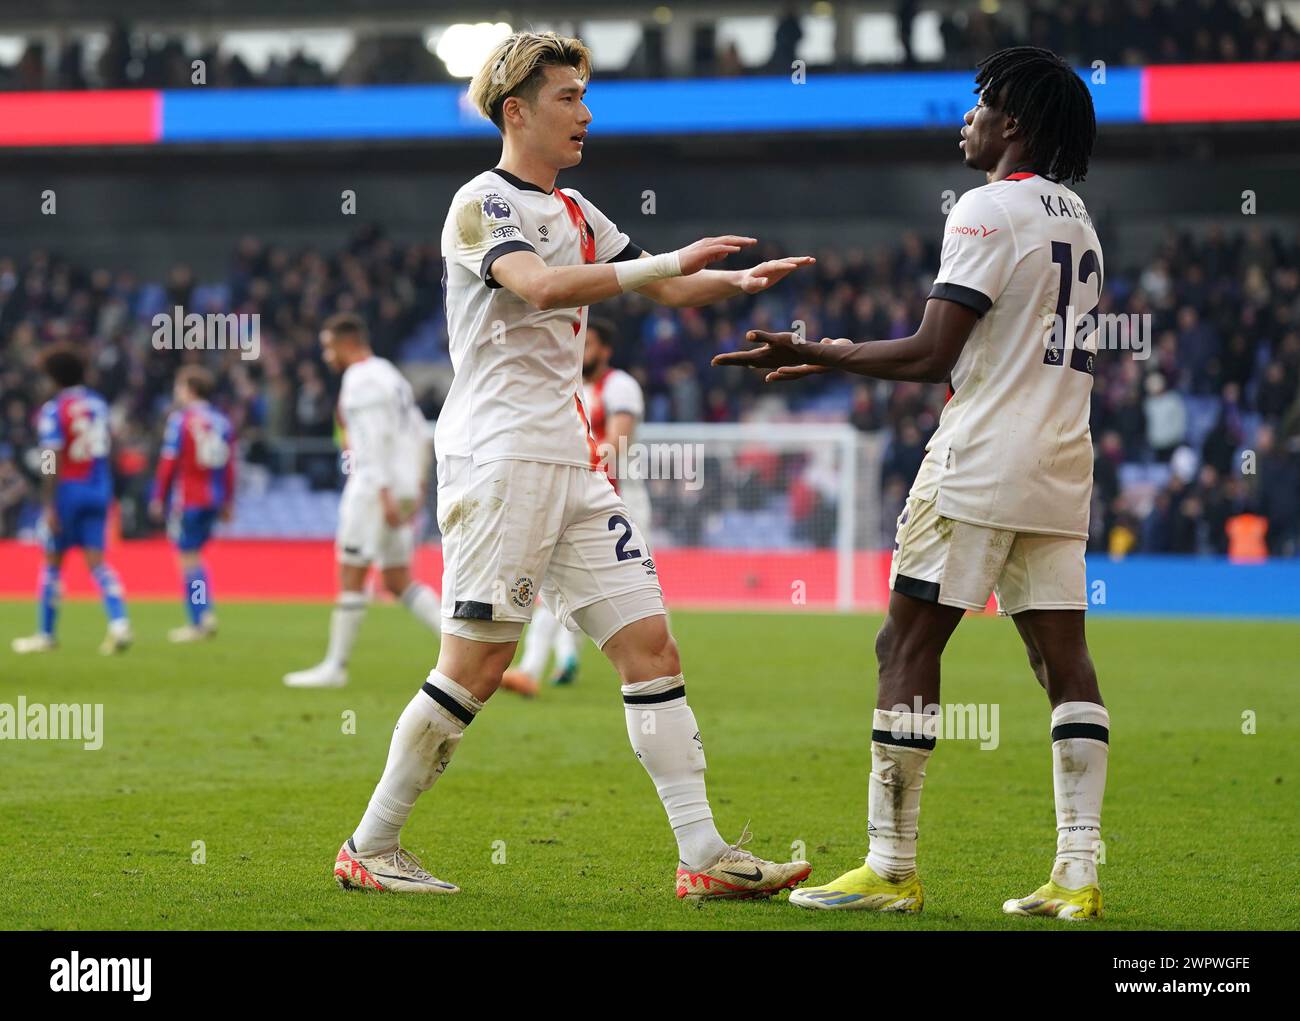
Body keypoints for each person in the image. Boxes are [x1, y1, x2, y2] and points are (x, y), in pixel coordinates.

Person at [332, 30, 815, 899]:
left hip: (569, 458)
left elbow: (663, 286)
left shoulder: (582, 212)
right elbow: (546, 288)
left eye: (585, 97)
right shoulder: (482, 204)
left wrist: (740, 288)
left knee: (650, 646)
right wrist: (669, 263)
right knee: (476, 664)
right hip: (499, 457)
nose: (586, 113)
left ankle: (701, 854)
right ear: (517, 112)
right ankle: (370, 843)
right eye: (569, 98)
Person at [716, 46, 1109, 920]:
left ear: (1015, 122)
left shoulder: (986, 206)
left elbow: (935, 353)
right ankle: (1077, 873)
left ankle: (891, 866)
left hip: (981, 457)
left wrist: (819, 350)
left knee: (904, 645)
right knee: (1062, 658)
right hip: (1061, 460)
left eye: (979, 105)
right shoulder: (1078, 218)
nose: (966, 119)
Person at [283, 313, 442, 688]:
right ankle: (456, 649)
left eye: (327, 347)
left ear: (346, 342)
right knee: (398, 578)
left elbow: (372, 440)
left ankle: (335, 667)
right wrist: (416, 486)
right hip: (402, 485)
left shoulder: (361, 380)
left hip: (374, 486)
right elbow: (419, 432)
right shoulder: (390, 374)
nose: (326, 356)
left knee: (351, 571)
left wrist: (384, 492)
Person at [501, 317, 648, 695]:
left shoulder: (620, 385)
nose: (583, 349)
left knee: (569, 583)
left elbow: (619, 442)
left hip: (614, 499)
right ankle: (559, 660)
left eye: (591, 343)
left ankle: (536, 668)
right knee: (558, 582)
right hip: (572, 494)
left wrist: (570, 462)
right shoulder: (568, 384)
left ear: (606, 350)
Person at [12, 344, 132, 655]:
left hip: (68, 490)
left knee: (52, 563)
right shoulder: (99, 405)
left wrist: (48, 501)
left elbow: (51, 456)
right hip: (98, 488)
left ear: (55, 377)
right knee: (98, 563)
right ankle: (119, 623)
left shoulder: (55, 409)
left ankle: (46, 633)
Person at [148, 366, 235, 642]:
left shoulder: (180, 420)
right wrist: (228, 501)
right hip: (215, 496)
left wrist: (158, 496)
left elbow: (169, 463)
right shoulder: (222, 421)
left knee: (188, 560)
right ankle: (204, 612)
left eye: (179, 386)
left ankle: (200, 618)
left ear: (189, 389)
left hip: (189, 498)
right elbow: (230, 466)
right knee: (195, 557)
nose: (177, 392)